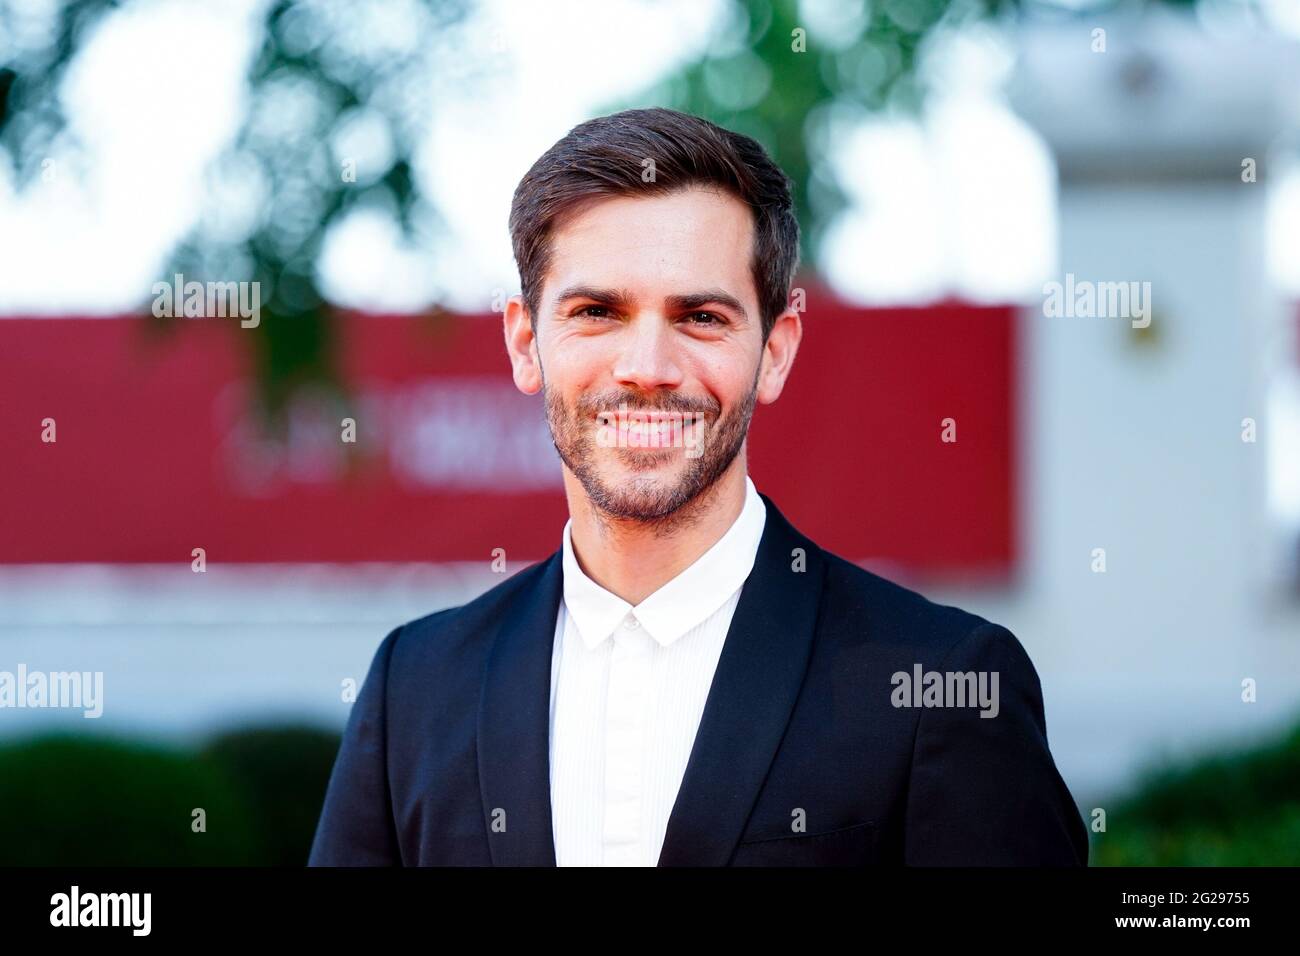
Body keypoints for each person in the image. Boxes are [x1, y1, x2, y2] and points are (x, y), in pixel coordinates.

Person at [308, 107, 1088, 866]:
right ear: (524, 342)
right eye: (597, 311)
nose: (647, 366)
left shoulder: (940, 681)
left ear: (775, 352)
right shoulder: (413, 687)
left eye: (702, 317)